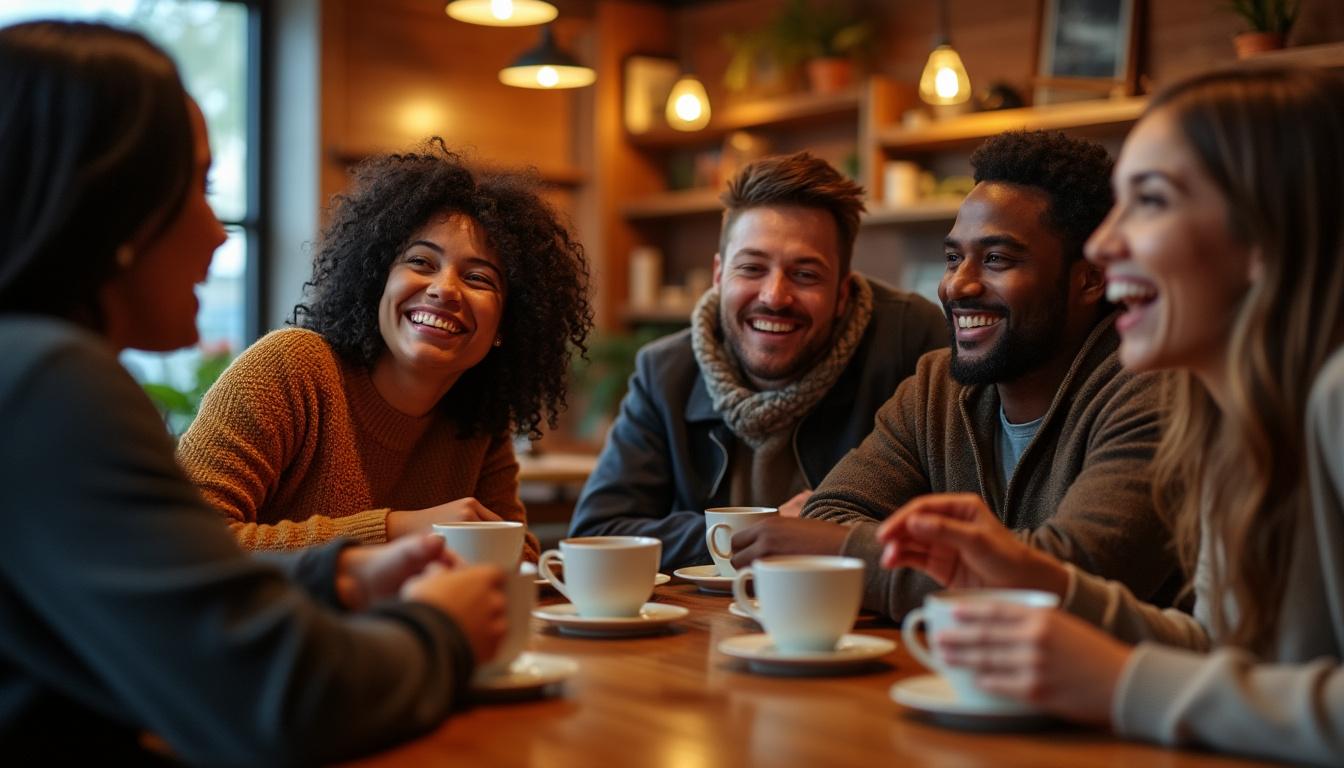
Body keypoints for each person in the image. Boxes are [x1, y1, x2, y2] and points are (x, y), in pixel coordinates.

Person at [0, 20, 508, 763]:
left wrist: (334, 574)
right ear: (115, 209)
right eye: (198, 189)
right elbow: (280, 701)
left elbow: (173, 590)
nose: (217, 232)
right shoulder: (49, 386)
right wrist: (443, 632)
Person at [877, 67, 1344, 766]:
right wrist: (1046, 584)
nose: (1102, 245)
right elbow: (1226, 652)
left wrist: (1124, 683)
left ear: (1265, 236)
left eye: (1149, 202)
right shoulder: (1223, 420)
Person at [732, 130, 1179, 619]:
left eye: (996, 259)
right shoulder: (935, 388)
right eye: (953, 258)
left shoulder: (1151, 391)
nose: (957, 285)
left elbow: (1074, 577)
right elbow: (831, 510)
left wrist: (842, 554)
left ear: (1090, 278)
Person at [176, 142, 592, 553]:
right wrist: (394, 530)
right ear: (379, 280)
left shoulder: (479, 418)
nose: (444, 290)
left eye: (479, 278)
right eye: (421, 263)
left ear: (508, 323)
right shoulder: (289, 370)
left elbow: (514, 552)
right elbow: (183, 543)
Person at [568, 151, 948, 571]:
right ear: (718, 276)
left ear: (843, 293)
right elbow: (596, 534)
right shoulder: (666, 372)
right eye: (751, 268)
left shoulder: (910, 343)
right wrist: (767, 529)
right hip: (701, 628)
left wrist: (817, 535)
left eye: (805, 274)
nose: (774, 296)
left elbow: (958, 517)